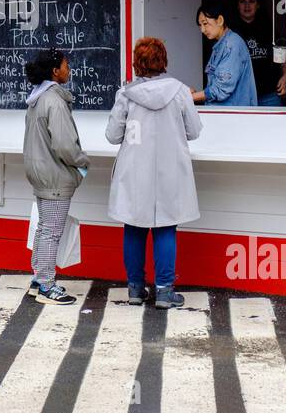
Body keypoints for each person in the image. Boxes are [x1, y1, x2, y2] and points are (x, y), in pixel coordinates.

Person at [105, 36, 202, 309]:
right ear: (163, 62)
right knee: (166, 227)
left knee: (134, 228)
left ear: (137, 64)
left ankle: (135, 289)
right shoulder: (181, 91)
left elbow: (113, 136)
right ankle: (164, 291)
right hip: (170, 169)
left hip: (134, 169)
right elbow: (193, 131)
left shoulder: (125, 94)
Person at [22, 48, 89, 305]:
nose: (69, 69)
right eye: (65, 65)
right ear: (55, 71)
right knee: (51, 231)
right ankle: (47, 286)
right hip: (55, 175)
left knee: (43, 228)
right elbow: (65, 145)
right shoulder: (55, 101)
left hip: (40, 173)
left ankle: (38, 280)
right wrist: (83, 162)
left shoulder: (37, 99)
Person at [191, 0, 257, 107]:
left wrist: (190, 97)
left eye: (205, 23)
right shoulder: (220, 45)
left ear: (220, 20)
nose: (202, 30)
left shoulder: (231, 45)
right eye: (200, 25)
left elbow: (221, 89)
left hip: (233, 118)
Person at [232, 0, 286, 107]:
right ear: (237, 5)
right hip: (241, 94)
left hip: (269, 94)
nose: (247, 5)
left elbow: (282, 54)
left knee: (271, 126)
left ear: (257, 5)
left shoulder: (268, 28)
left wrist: (285, 75)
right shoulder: (231, 31)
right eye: (242, 1)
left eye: (251, 1)